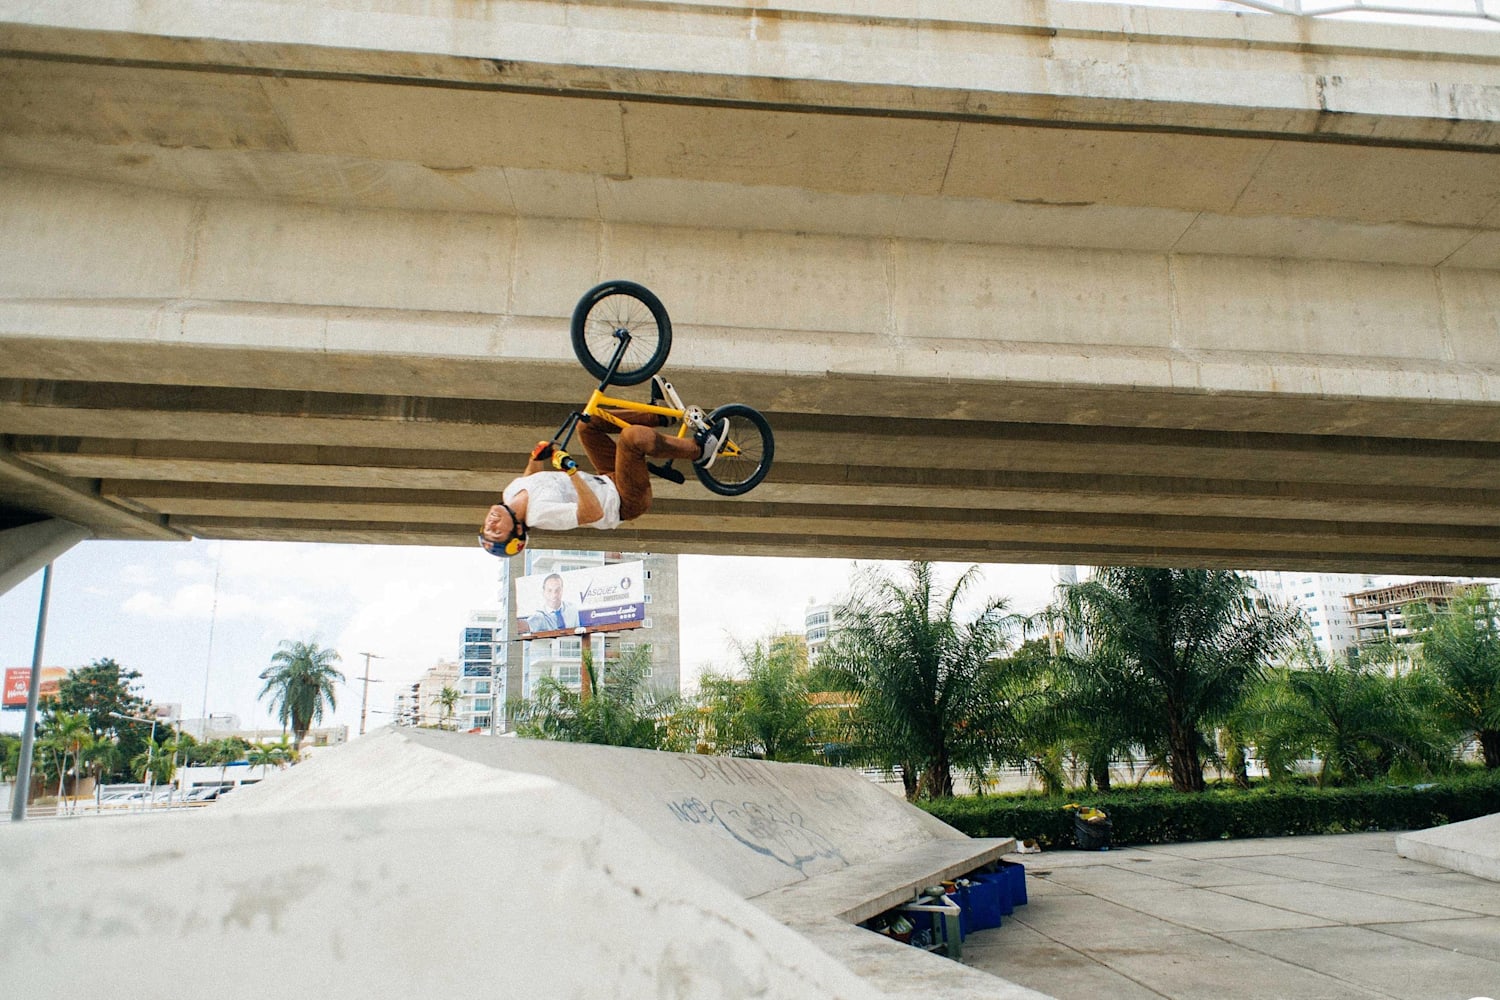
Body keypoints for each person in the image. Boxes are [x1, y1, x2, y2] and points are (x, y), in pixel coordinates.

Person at [478, 409, 728, 557]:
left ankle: (661, 415)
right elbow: (592, 513)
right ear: (518, 531)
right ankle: (700, 450)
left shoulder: (511, 492)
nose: (492, 522)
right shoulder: (540, 515)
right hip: (624, 501)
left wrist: (536, 457)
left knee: (587, 425)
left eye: (488, 527)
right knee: (631, 439)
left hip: (607, 477)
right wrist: (572, 472)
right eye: (497, 531)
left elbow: (531, 478)